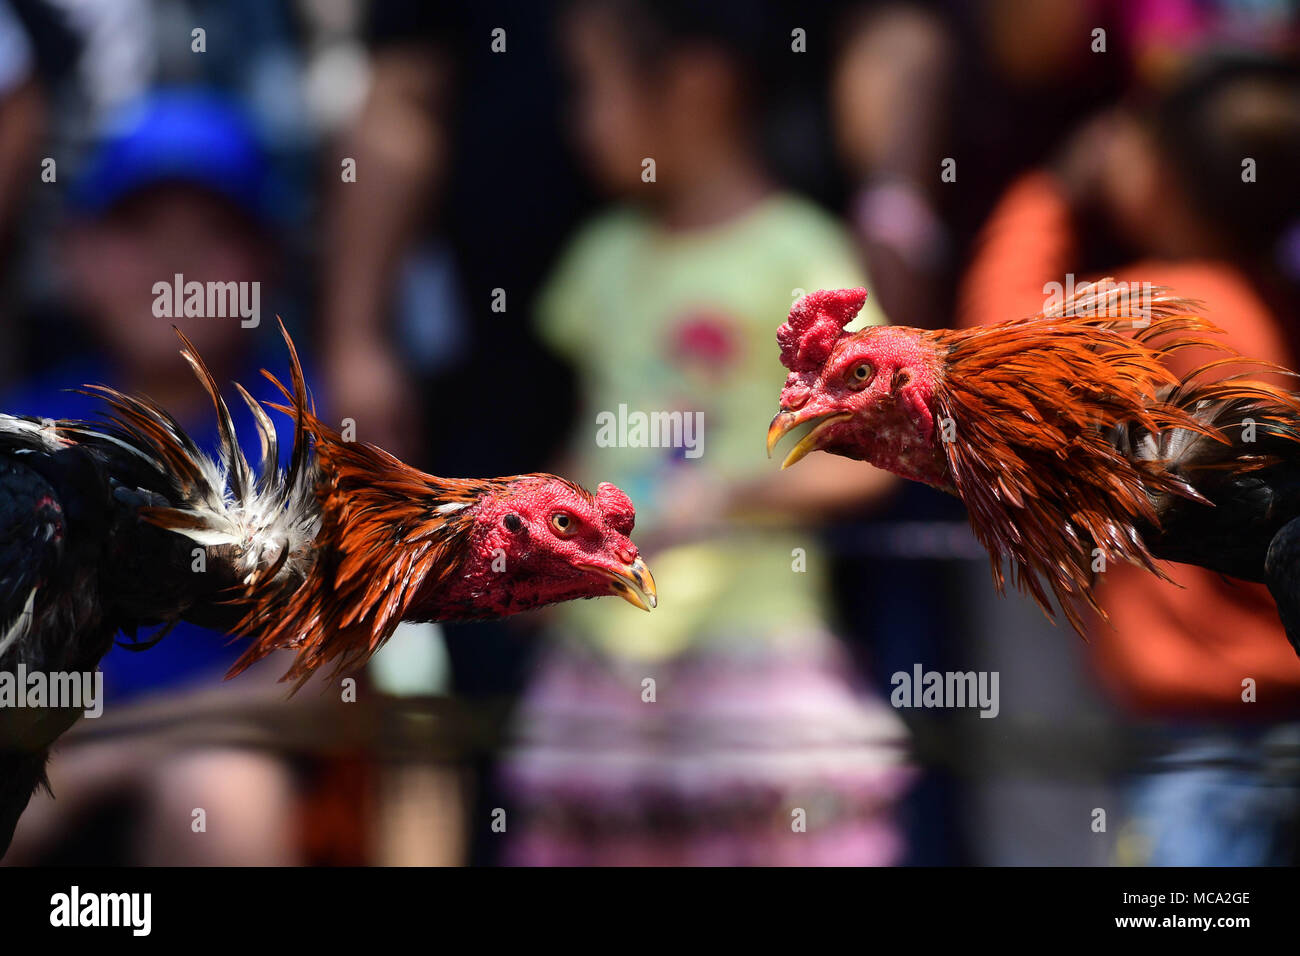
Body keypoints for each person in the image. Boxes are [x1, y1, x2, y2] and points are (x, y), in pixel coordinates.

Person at [501, 0, 911, 866]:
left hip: (749, 645)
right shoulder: (604, 257)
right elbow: (592, 440)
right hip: (603, 658)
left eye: (595, 87)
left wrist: (732, 497)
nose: (579, 121)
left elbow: (874, 452)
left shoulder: (798, 251)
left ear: (694, 86)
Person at [959, 55, 1300, 865]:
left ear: (1157, 179)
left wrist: (1051, 191)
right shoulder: (1274, 301)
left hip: (1201, 743)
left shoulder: (1161, 306)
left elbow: (988, 355)